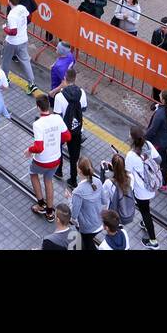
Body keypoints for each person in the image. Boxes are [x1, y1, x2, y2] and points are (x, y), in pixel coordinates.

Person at [28, 93, 70, 222]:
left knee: (33, 173)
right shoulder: (57, 118)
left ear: (38, 107)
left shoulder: (38, 124)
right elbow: (67, 136)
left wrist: (28, 150)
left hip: (42, 160)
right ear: (49, 106)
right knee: (48, 180)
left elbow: (39, 147)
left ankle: (41, 204)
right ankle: (50, 212)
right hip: (56, 158)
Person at [124, 124, 162, 248]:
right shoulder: (149, 145)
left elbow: (127, 173)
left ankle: (153, 241)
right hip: (152, 184)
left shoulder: (131, 155)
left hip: (141, 190)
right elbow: (159, 159)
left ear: (132, 137)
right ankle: (146, 224)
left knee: (145, 212)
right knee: (146, 208)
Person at [53, 68, 88, 185]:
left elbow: (57, 115)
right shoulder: (82, 92)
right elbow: (84, 109)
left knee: (59, 149)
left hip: (63, 130)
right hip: (77, 129)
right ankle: (73, 180)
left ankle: (59, 171)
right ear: (75, 78)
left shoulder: (59, 96)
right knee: (74, 156)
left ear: (65, 79)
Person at [70, 157, 108, 247]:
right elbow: (104, 201)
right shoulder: (98, 181)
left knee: (87, 244)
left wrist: (69, 199)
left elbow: (74, 215)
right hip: (100, 223)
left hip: (87, 228)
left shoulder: (77, 192)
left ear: (79, 171)